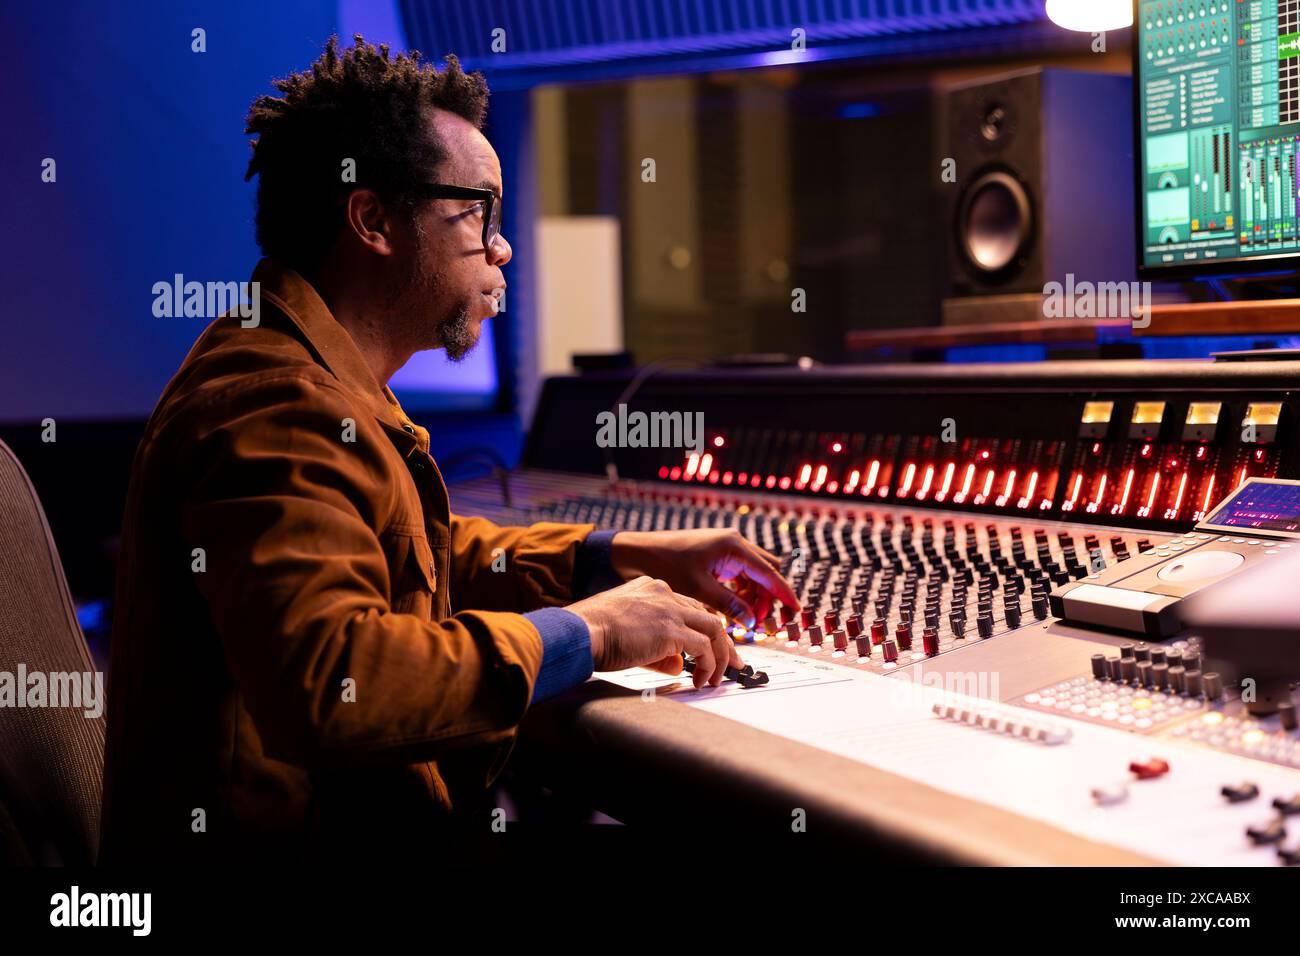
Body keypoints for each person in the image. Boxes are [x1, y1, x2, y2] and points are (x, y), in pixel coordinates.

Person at [99, 36, 797, 863]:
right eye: (479, 214)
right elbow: (331, 677)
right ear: (373, 221)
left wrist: (608, 556)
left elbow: (404, 552)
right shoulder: (275, 403)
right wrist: (590, 634)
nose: (502, 249)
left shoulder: (306, 369)